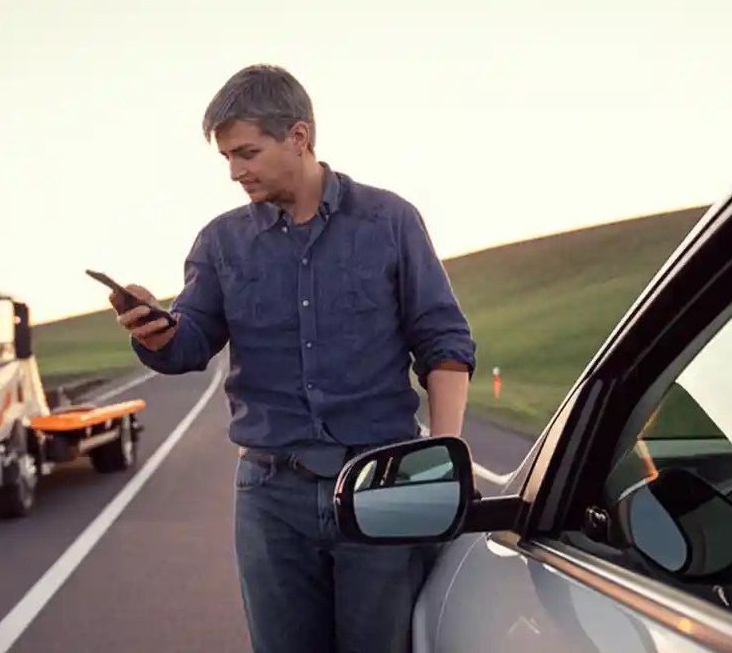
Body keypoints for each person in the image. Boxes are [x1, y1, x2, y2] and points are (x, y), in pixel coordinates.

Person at [111, 63, 476, 653]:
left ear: (299, 136)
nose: (235, 172)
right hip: (269, 497)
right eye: (226, 157)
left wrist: (444, 461)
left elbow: (444, 343)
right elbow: (190, 342)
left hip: (380, 486)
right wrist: (155, 334)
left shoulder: (389, 221)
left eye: (246, 152)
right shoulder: (219, 242)